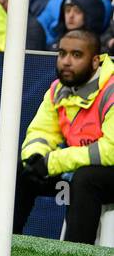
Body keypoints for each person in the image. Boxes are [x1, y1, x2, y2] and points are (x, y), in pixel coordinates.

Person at [15, 29, 114, 244]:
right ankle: (5, 245)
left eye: (76, 55)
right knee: (22, 168)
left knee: (87, 179)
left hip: (104, 170)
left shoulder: (111, 89)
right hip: (78, 165)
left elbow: (110, 151)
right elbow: (41, 131)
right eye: (62, 54)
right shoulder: (58, 89)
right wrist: (35, 157)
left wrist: (52, 162)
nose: (66, 62)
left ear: (95, 61)